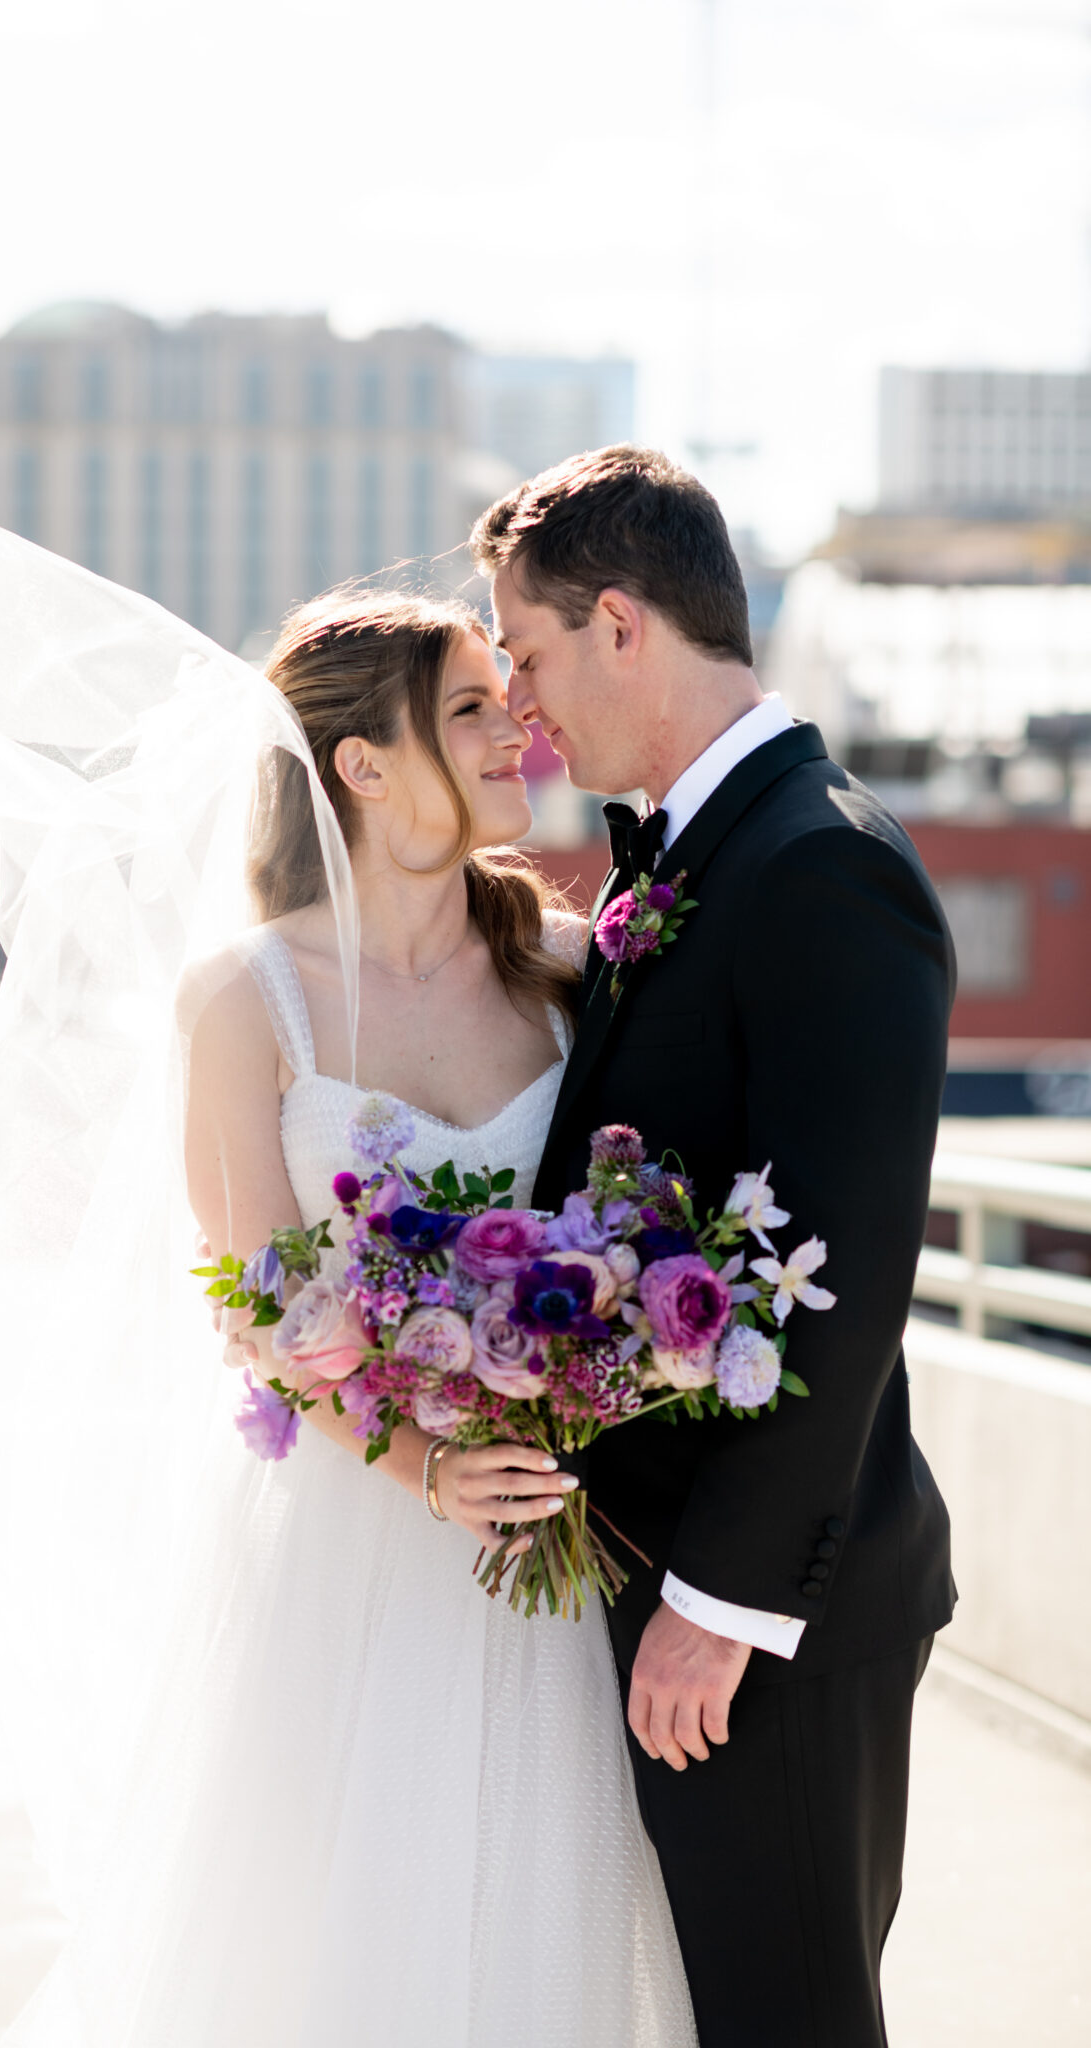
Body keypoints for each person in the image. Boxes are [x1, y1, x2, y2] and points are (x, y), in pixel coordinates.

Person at [0, 496, 695, 2048]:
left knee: (537, 1937)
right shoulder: (249, 999)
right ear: (362, 768)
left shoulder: (573, 965)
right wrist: (425, 1469)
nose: (517, 722)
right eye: (469, 706)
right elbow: (253, 1306)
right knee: (332, 1948)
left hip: (552, 1535)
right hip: (349, 1536)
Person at [474, 445, 956, 2048]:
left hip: (765, 1621)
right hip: (667, 1585)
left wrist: (724, 1602)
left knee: (790, 2021)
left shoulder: (818, 862)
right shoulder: (679, 857)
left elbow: (848, 1268)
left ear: (621, 624)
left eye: (526, 655)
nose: (521, 705)